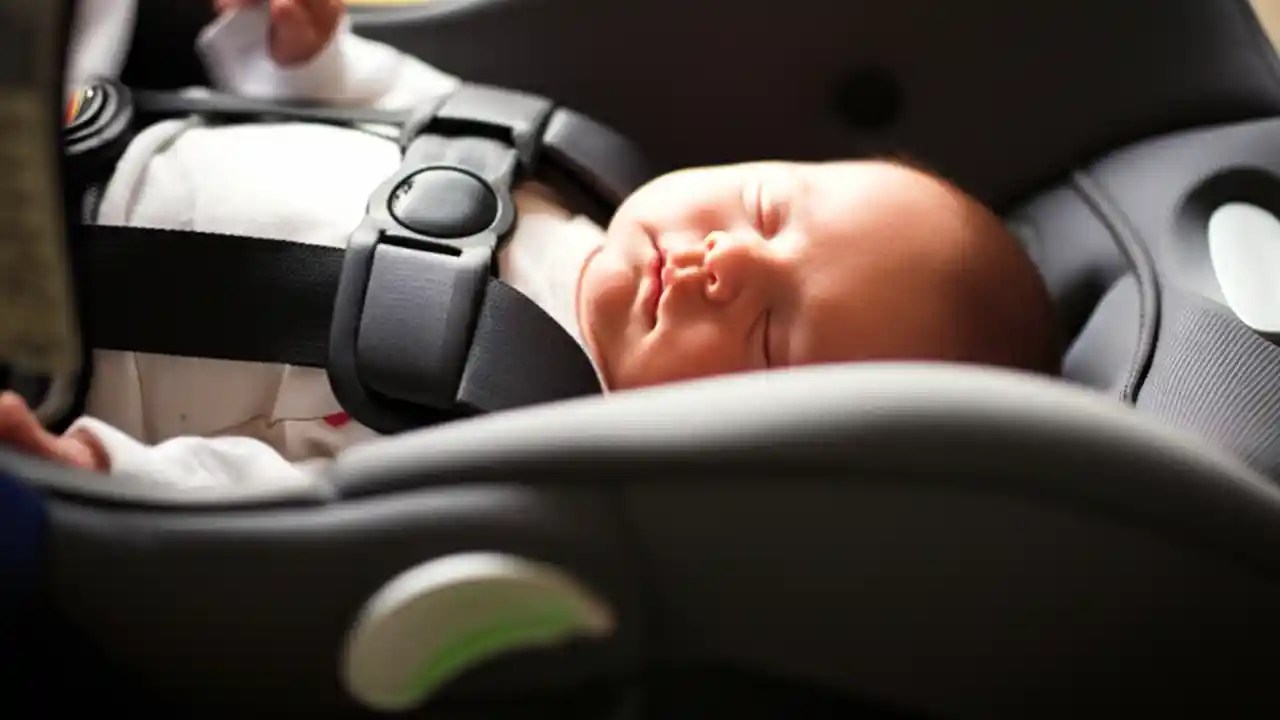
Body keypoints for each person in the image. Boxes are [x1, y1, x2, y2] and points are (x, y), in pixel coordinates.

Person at [0, 0, 1060, 486]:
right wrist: (299, 54)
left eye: (771, 334)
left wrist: (97, 470)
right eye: (765, 209)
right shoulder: (562, 164)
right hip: (82, 138)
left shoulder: (521, 432)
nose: (726, 262)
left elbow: (267, 488)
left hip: (55, 350)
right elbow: (379, 106)